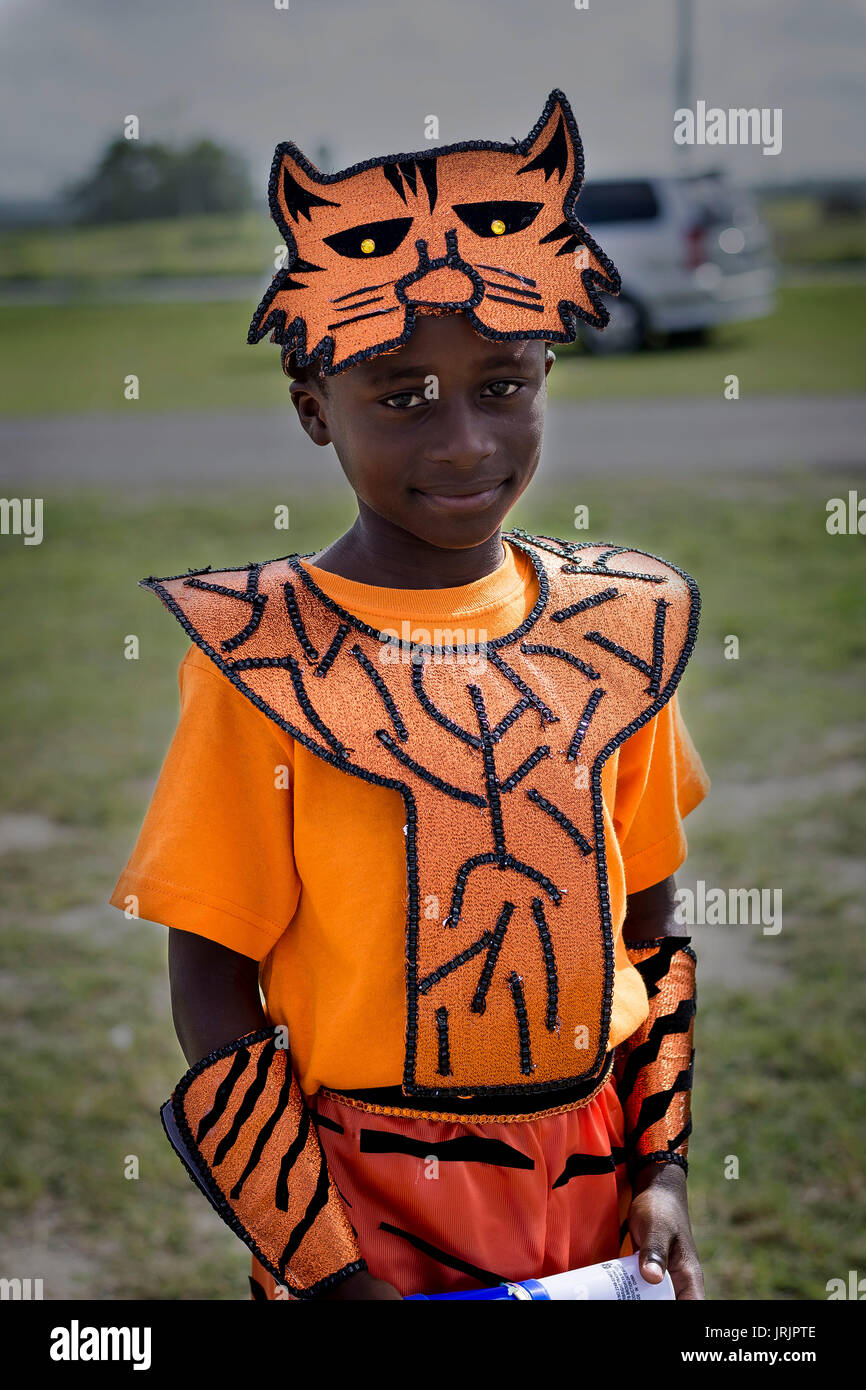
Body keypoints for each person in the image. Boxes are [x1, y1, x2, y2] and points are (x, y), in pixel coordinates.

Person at [109, 88, 710, 1302]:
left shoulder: (618, 627)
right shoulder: (260, 657)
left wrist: (662, 1169)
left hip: (590, 1183)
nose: (462, 444)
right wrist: (329, 1271)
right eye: (399, 395)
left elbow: (648, 923)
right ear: (309, 408)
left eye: (503, 383)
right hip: (361, 1196)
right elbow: (211, 983)